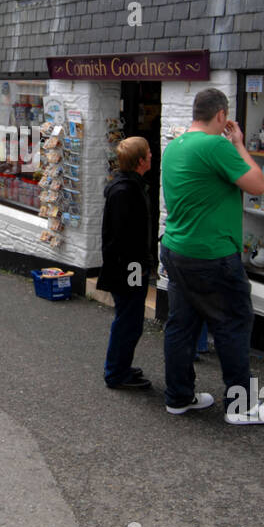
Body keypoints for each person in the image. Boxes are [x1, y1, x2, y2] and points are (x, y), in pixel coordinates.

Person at [159, 88, 264, 424]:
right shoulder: (216, 145)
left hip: (176, 248)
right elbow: (258, 185)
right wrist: (240, 144)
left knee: (181, 325)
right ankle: (241, 406)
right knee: (233, 323)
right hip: (211, 255)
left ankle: (179, 396)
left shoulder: (175, 146)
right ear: (221, 116)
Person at [97, 137, 156, 391]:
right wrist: (138, 269)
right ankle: (116, 373)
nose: (153, 155)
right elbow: (123, 239)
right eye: (149, 153)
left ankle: (120, 366)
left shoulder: (132, 186)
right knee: (128, 320)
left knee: (130, 319)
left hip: (130, 266)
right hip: (128, 268)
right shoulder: (125, 191)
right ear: (140, 161)